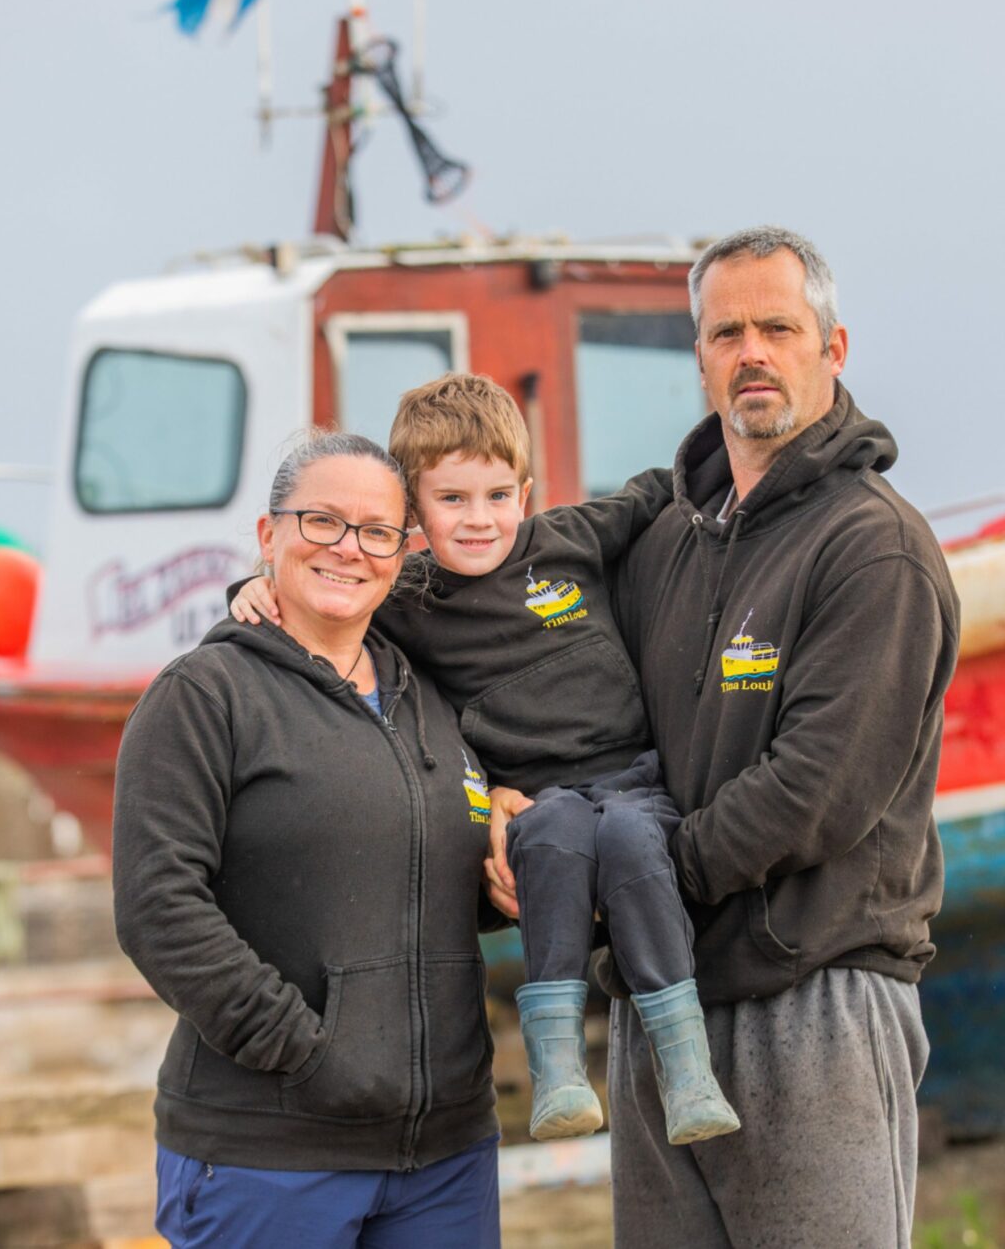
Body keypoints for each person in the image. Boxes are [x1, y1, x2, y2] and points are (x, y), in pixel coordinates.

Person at [499, 226, 959, 1247]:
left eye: (778, 328)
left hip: (813, 1005)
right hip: (659, 1010)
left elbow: (813, 792)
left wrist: (623, 880)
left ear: (831, 349)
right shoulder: (660, 543)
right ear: (699, 356)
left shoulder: (871, 549)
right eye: (726, 332)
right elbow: (527, 665)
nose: (752, 351)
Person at [231, 374, 740, 1147]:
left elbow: (651, 493)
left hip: (632, 779)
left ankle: (689, 1068)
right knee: (552, 848)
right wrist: (251, 586)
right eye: (453, 499)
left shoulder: (568, 537)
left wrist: (728, 436)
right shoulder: (407, 598)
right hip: (537, 797)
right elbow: (327, 585)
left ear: (525, 492)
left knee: (637, 845)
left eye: (499, 495)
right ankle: (560, 1067)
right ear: (410, 513)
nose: (479, 519)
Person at [113, 429, 505, 1249]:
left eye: (374, 531)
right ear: (268, 536)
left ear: (400, 555)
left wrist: (505, 877)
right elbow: (158, 908)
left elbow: (417, 879)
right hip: (270, 1152)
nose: (347, 549)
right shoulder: (202, 696)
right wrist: (309, 1055)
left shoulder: (431, 701)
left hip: (445, 1157)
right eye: (321, 521)